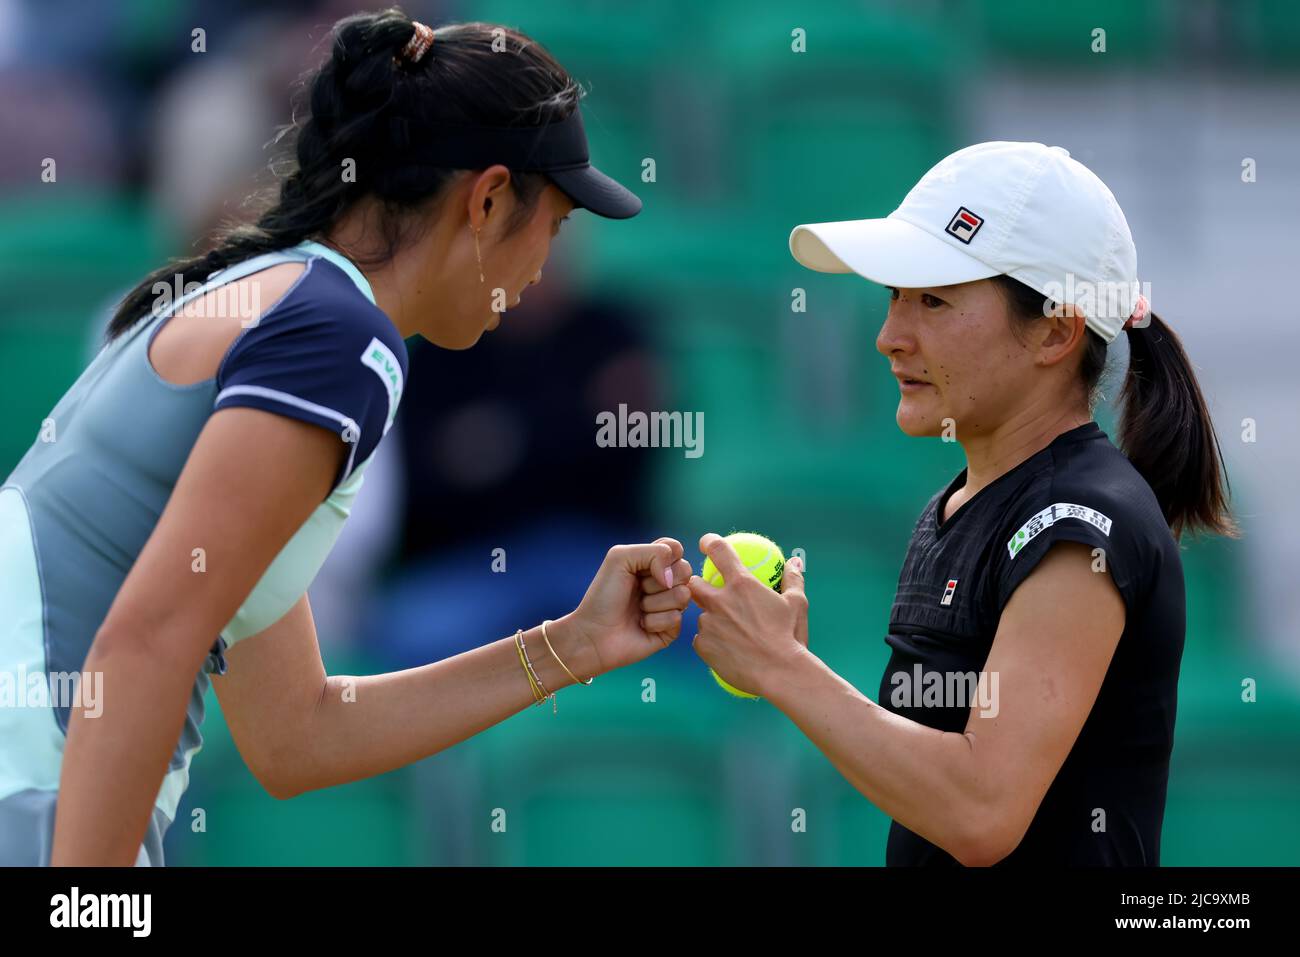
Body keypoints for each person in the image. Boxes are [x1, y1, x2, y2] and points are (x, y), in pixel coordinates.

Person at [0, 12, 692, 867]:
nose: (549, 260)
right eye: (553, 220)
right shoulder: (336, 342)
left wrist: (571, 646)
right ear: (486, 200)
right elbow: (144, 644)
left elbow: (296, 734)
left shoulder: (283, 305)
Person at [688, 141, 1238, 865]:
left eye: (935, 300)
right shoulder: (961, 503)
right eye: (894, 297)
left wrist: (782, 667)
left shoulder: (1080, 526)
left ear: (1055, 331)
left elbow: (982, 809)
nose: (890, 337)